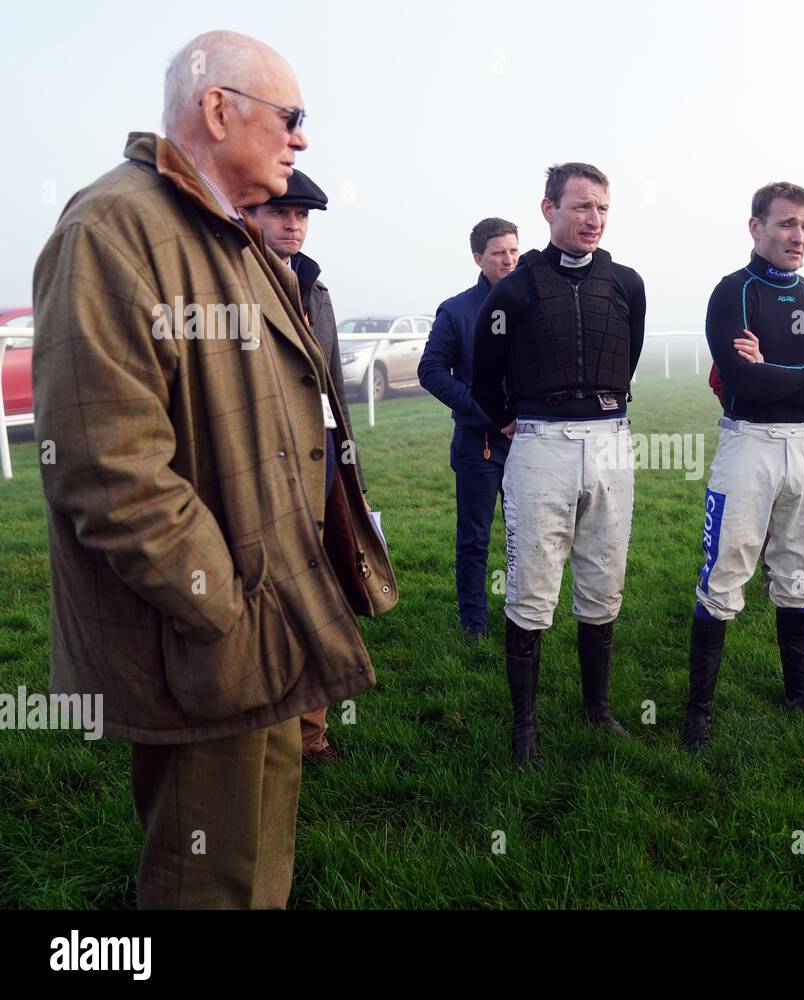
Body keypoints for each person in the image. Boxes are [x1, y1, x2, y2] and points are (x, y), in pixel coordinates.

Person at [31, 30, 397, 907]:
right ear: (218, 107)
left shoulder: (231, 236)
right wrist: (225, 608)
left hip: (269, 622)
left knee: (256, 865)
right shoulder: (114, 226)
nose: (302, 139)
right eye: (292, 117)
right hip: (205, 642)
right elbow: (105, 466)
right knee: (212, 881)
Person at [471, 163, 646, 763]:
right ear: (548, 210)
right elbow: (483, 370)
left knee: (603, 579)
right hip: (541, 446)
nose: (593, 219)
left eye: (602, 208)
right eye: (581, 207)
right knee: (532, 587)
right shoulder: (514, 288)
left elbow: (631, 355)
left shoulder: (627, 283)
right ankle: (525, 725)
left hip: (611, 442)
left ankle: (598, 709)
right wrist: (510, 416)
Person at [683, 181, 804, 752]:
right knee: (725, 572)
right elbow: (743, 383)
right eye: (786, 224)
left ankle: (801, 698)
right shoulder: (733, 293)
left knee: (800, 568)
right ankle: (698, 713)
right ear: (756, 227)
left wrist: (783, 373)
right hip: (747, 446)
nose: (797, 236)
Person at [247, 168, 364, 766]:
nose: (292, 225)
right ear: (253, 216)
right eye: (279, 214)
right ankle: (257, 732)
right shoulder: (231, 283)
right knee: (267, 597)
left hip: (320, 455)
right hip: (259, 466)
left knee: (322, 592)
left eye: (301, 216)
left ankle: (311, 736)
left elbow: (334, 389)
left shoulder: (315, 289)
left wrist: (352, 479)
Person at [419, 218, 519, 639]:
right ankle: (473, 625)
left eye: (514, 251)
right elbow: (431, 370)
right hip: (478, 444)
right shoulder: (456, 310)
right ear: (478, 257)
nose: (509, 260)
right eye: (499, 253)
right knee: (475, 540)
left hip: (532, 443)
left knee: (525, 538)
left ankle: (523, 618)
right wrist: (486, 413)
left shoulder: (532, 304)